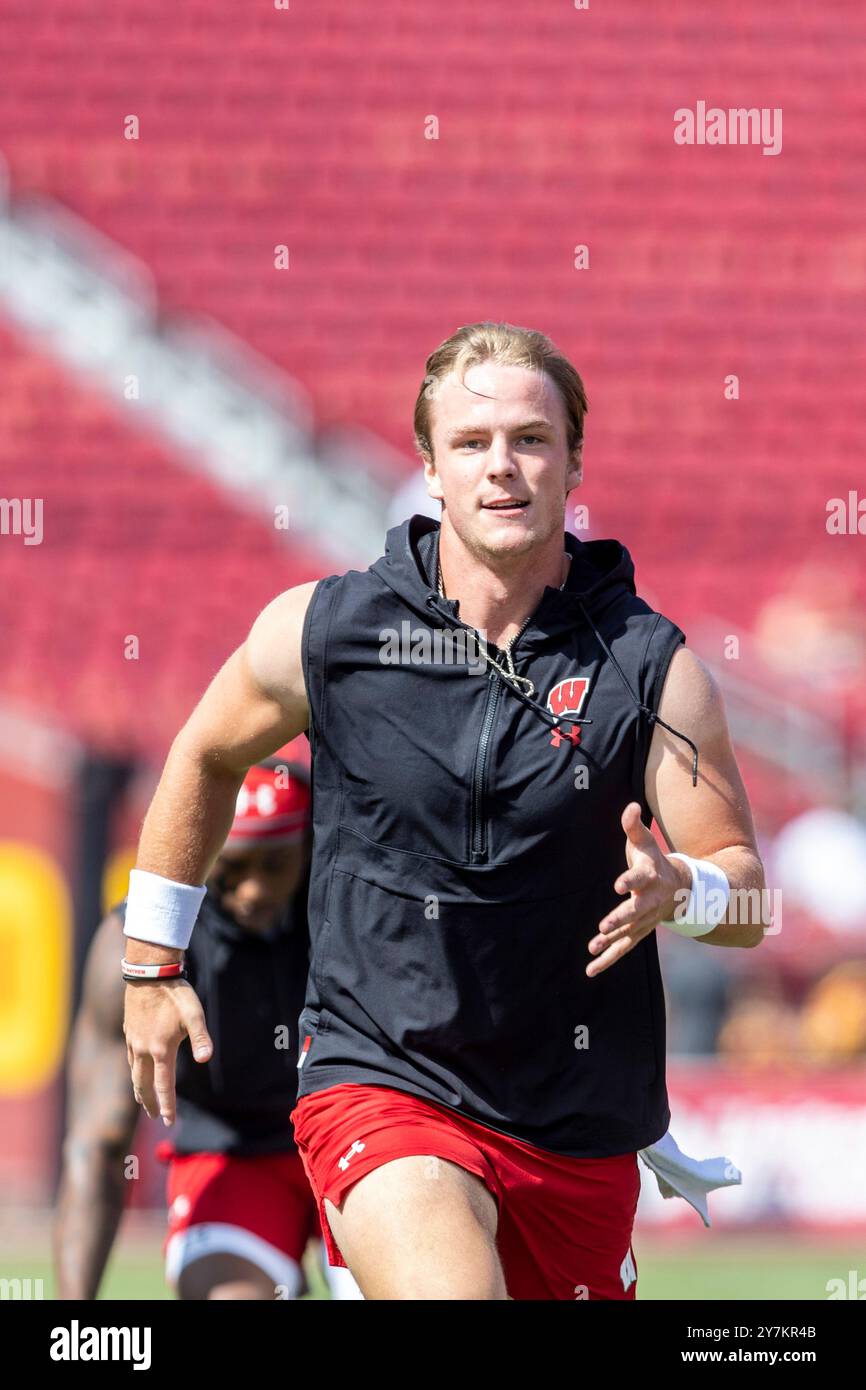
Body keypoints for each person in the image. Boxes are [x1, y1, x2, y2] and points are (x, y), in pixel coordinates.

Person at [122, 321, 766, 1300]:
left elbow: (748, 894)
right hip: (380, 1080)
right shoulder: (329, 630)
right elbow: (204, 754)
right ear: (428, 467)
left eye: (529, 439)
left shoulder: (653, 670)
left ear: (573, 459)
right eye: (469, 444)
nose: (500, 467)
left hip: (576, 1127)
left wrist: (682, 888)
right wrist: (149, 961)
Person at [55, 756, 360, 1300]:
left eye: (274, 865)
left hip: (357, 1138)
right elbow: (98, 1147)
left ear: (310, 847)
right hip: (233, 1157)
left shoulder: (359, 908)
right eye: (232, 869)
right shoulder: (135, 947)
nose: (252, 891)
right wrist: (74, 1323)